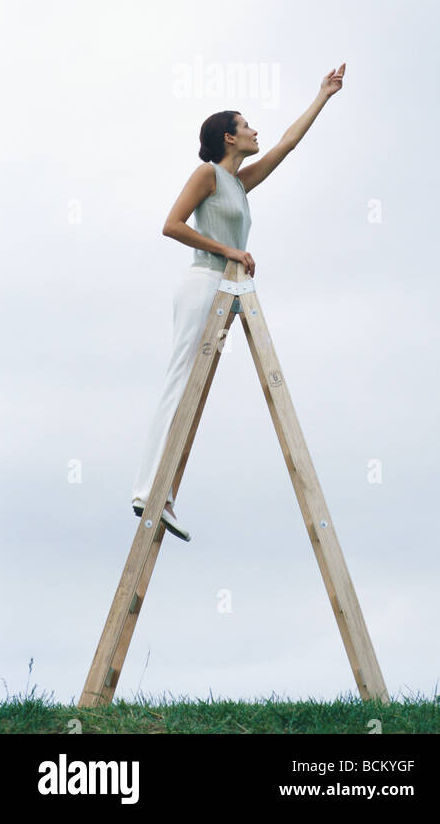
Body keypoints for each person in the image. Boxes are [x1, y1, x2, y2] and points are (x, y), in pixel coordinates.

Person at [131, 65, 346, 539]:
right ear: (228, 138)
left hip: (227, 291)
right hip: (202, 282)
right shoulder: (206, 174)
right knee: (181, 379)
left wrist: (323, 96)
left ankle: (163, 491)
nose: (254, 131)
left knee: (197, 388)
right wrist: (229, 249)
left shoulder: (239, 183)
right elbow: (172, 224)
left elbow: (286, 144)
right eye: (246, 126)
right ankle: (148, 488)